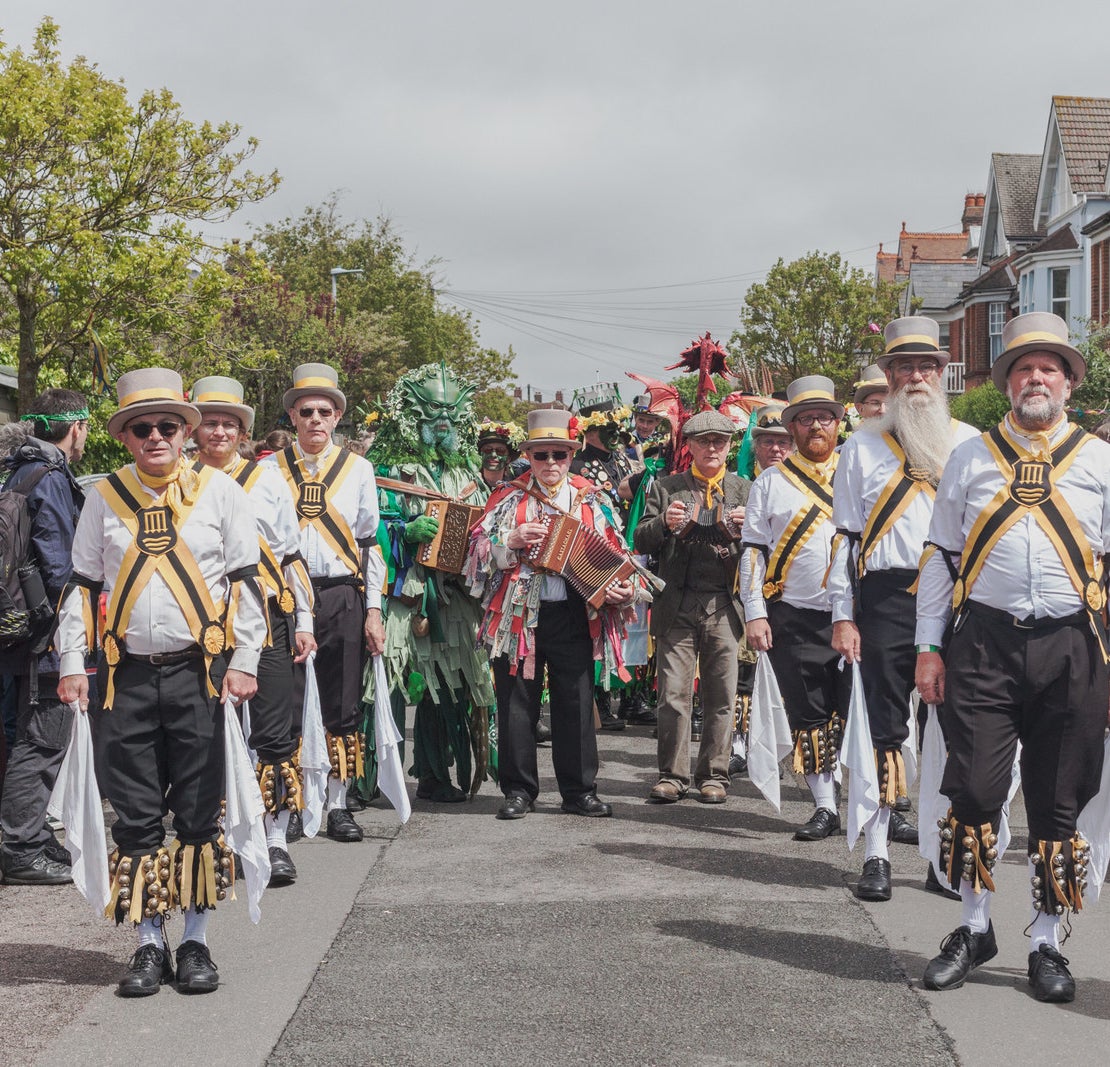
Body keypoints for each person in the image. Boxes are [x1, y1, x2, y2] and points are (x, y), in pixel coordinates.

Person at [915, 312, 1110, 1003]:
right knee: (972, 788)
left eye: (1048, 367)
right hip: (984, 643)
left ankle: (1045, 940)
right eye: (1023, 368)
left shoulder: (1098, 458)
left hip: (1072, 644)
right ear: (1007, 382)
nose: (1035, 378)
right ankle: (974, 926)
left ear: (1068, 382)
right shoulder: (970, 457)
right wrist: (929, 647)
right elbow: (941, 556)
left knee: (1060, 801)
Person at [56, 367, 266, 996]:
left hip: (200, 675)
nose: (155, 436)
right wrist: (72, 663)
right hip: (124, 680)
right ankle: (150, 943)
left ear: (185, 432)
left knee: (200, 811)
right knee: (138, 816)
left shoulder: (222, 493)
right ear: (124, 437)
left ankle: (196, 940)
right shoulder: (104, 497)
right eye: (141, 427)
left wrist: (247, 660)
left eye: (167, 426)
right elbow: (82, 586)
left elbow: (246, 581)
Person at [829, 318, 980, 902]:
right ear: (887, 378)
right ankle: (878, 851)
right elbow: (844, 539)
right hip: (887, 597)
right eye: (903, 368)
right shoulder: (860, 446)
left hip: (957, 599)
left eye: (927, 367)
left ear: (942, 374)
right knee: (881, 725)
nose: (916, 377)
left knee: (954, 724)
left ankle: (945, 858)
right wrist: (843, 615)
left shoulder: (969, 440)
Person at [465, 408, 638, 820]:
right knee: (516, 703)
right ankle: (519, 790)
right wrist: (510, 539)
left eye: (559, 455)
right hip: (518, 616)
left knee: (576, 700)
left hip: (574, 613)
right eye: (541, 456)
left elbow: (617, 551)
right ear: (529, 457)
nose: (550, 464)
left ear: (569, 455)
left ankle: (579, 791)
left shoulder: (591, 498)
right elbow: (475, 552)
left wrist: (624, 588)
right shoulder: (508, 496)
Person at [191, 376, 316, 886]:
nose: (219, 431)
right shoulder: (181, 482)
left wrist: (304, 620)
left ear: (242, 430)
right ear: (194, 430)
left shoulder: (265, 479)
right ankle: (221, 836)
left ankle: (275, 839)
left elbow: (290, 553)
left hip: (267, 618)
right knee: (210, 734)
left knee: (274, 733)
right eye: (210, 423)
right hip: (204, 627)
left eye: (229, 423)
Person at [266, 363, 386, 843]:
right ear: (293, 417)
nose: (316, 419)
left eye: (325, 411)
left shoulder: (359, 469)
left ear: (338, 418)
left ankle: (337, 803)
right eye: (306, 411)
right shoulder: (268, 470)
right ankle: (293, 803)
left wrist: (374, 609)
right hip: (285, 594)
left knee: (342, 701)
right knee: (287, 703)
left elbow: (369, 542)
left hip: (340, 593)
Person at [369, 363, 496, 803]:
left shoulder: (469, 474)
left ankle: (435, 773)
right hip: (404, 595)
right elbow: (368, 530)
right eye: (431, 411)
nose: (441, 420)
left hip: (455, 597)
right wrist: (403, 533)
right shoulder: (384, 468)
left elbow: (482, 526)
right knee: (387, 683)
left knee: (449, 685)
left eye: (449, 412)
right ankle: (371, 778)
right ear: (410, 413)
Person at [740, 376, 849, 840]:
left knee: (864, 711)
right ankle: (826, 805)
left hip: (856, 617)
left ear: (837, 423)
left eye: (823, 416)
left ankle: (880, 803)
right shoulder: (770, 481)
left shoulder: (858, 472)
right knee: (809, 711)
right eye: (805, 419)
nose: (815, 426)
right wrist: (754, 611)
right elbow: (752, 552)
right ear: (793, 429)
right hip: (793, 614)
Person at [634, 410, 749, 803]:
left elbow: (768, 544)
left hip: (724, 602)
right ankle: (672, 775)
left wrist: (749, 528)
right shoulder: (666, 487)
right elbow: (641, 540)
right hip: (677, 604)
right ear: (690, 447)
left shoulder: (744, 490)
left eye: (719, 441)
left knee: (721, 696)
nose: (712, 447)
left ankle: (715, 775)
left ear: (730, 446)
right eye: (703, 441)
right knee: (673, 695)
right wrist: (664, 522)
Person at [0, 390, 89, 885]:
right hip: (44, 629)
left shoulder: (17, 470)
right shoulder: (50, 477)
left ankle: (31, 836)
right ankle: (19, 848)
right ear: (74, 427)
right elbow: (60, 562)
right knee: (43, 738)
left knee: (28, 734)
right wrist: (73, 620)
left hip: (16, 628)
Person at [476, 420, 522, 491]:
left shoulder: (517, 489)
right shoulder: (465, 485)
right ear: (480, 454)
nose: (493, 455)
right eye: (487, 450)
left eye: (500, 451)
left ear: (508, 458)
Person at [750, 403, 794, 474]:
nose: (775, 449)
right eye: (768, 442)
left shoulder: (803, 482)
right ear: (756, 447)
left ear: (792, 448)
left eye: (782, 443)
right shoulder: (739, 481)